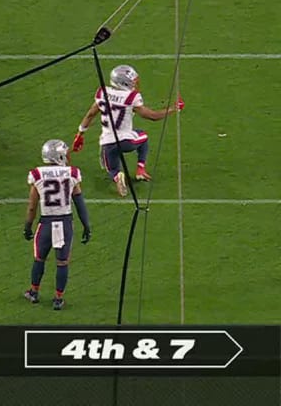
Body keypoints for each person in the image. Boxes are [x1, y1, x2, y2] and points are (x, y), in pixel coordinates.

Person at [72, 64, 184, 195]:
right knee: (143, 136)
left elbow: (90, 114)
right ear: (125, 83)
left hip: (107, 143)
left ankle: (117, 177)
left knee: (112, 170)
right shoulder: (131, 97)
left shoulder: (102, 92)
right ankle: (140, 169)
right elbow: (152, 116)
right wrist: (174, 108)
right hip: (127, 141)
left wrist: (80, 134)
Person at [24, 139, 92, 311]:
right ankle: (58, 299)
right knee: (62, 263)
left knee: (39, 259)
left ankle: (34, 292)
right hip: (65, 222)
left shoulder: (37, 174)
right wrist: (86, 225)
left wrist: (27, 226)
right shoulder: (72, 173)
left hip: (46, 223)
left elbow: (32, 206)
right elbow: (79, 202)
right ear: (59, 155)